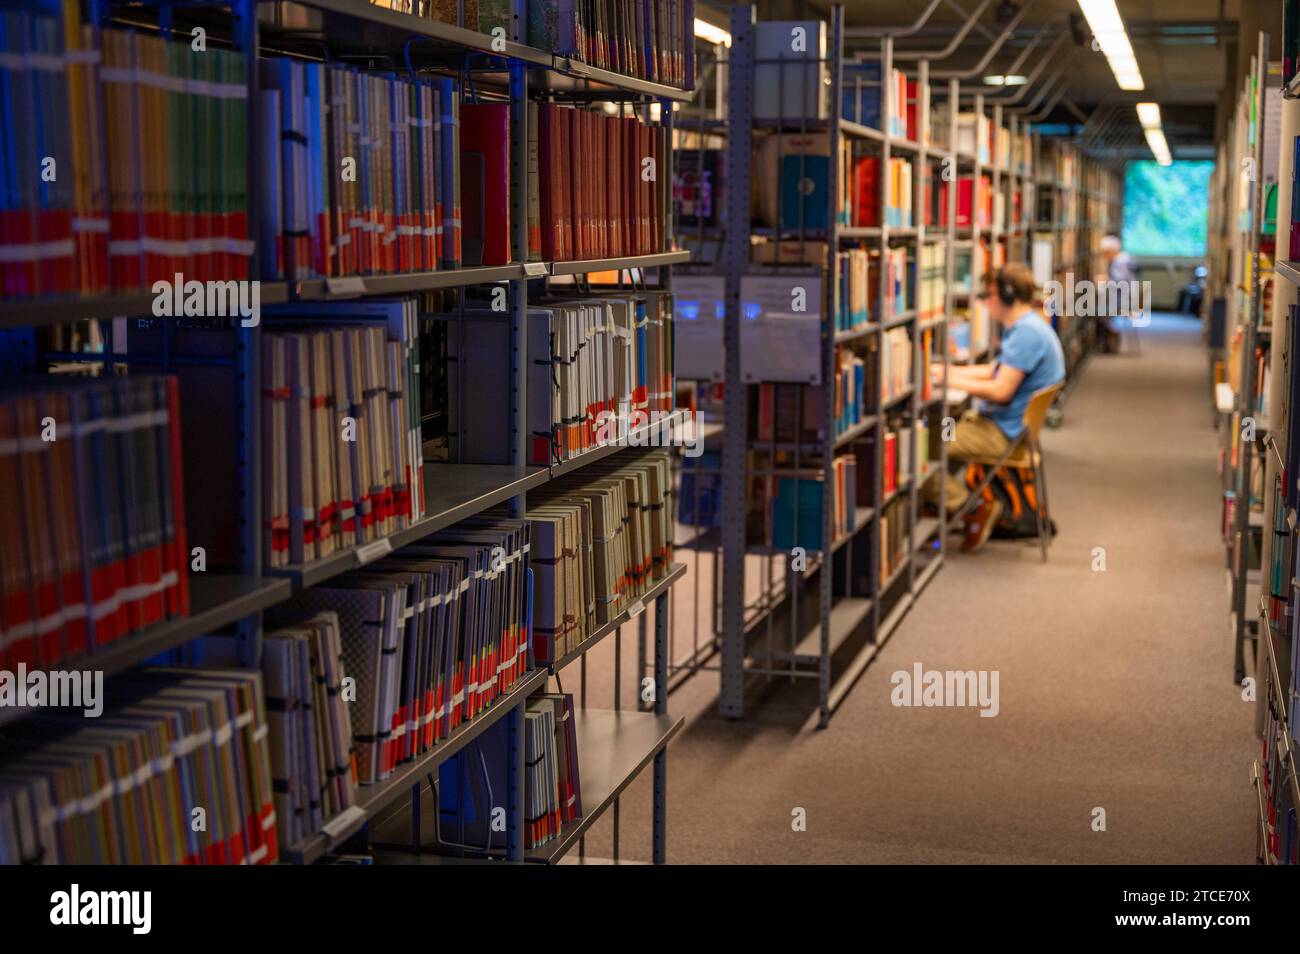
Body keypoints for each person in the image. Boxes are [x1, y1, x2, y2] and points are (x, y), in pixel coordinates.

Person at [925, 263, 1066, 552]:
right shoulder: (1029, 326)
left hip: (1002, 434)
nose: (984, 302)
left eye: (988, 295)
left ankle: (972, 506)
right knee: (937, 435)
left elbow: (1001, 390)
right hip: (1011, 428)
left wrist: (952, 383)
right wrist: (944, 373)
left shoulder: (1027, 334)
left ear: (1007, 295)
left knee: (921, 449)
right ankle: (945, 505)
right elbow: (995, 370)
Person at [1098, 234, 1138, 351]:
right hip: (1127, 297)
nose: (1103, 256)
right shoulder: (1123, 259)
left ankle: (1112, 336)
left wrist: (1105, 280)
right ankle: (1110, 337)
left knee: (1096, 312)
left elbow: (1120, 282)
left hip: (1125, 300)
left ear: (1111, 251)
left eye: (1105, 253)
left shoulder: (1119, 262)